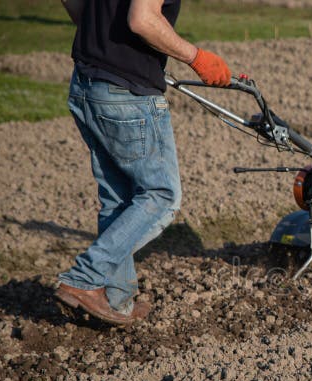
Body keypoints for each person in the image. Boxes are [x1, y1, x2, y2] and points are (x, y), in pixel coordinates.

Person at [56, 0, 231, 325]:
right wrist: (197, 58)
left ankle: (116, 298)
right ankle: (85, 278)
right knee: (161, 197)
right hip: (126, 94)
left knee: (119, 200)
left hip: (85, 84)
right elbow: (142, 19)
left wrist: (101, 36)